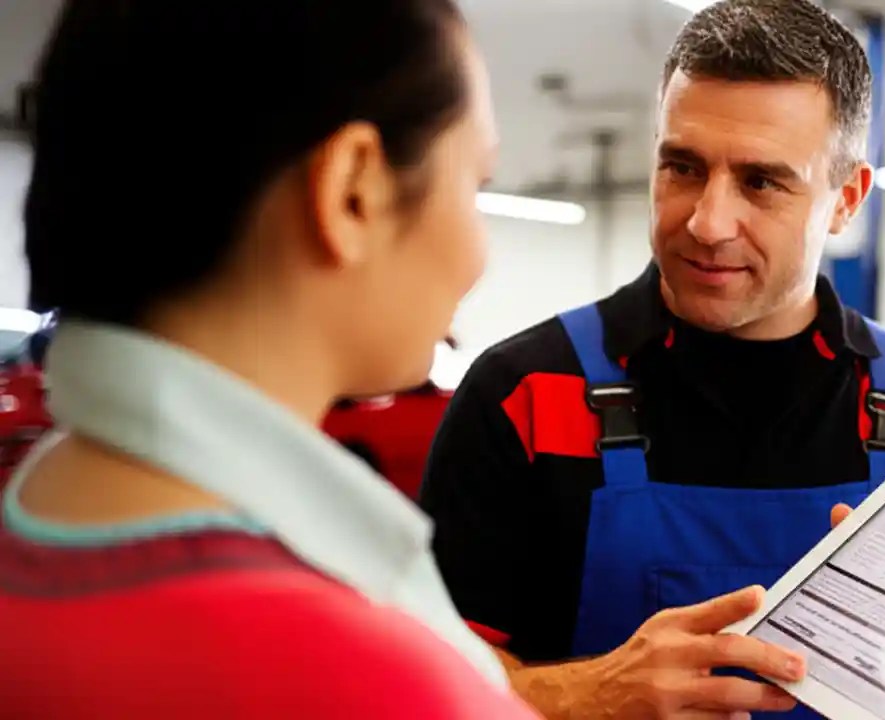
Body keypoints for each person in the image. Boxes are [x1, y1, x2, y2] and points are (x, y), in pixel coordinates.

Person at [421, 0, 885, 717]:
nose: (707, 221)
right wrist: (591, 695)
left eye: (761, 182)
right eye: (683, 167)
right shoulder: (527, 397)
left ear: (845, 199)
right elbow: (418, 680)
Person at [0, 1, 538, 717]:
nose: (479, 255)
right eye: (476, 185)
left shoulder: (35, 542)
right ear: (353, 190)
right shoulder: (376, 685)